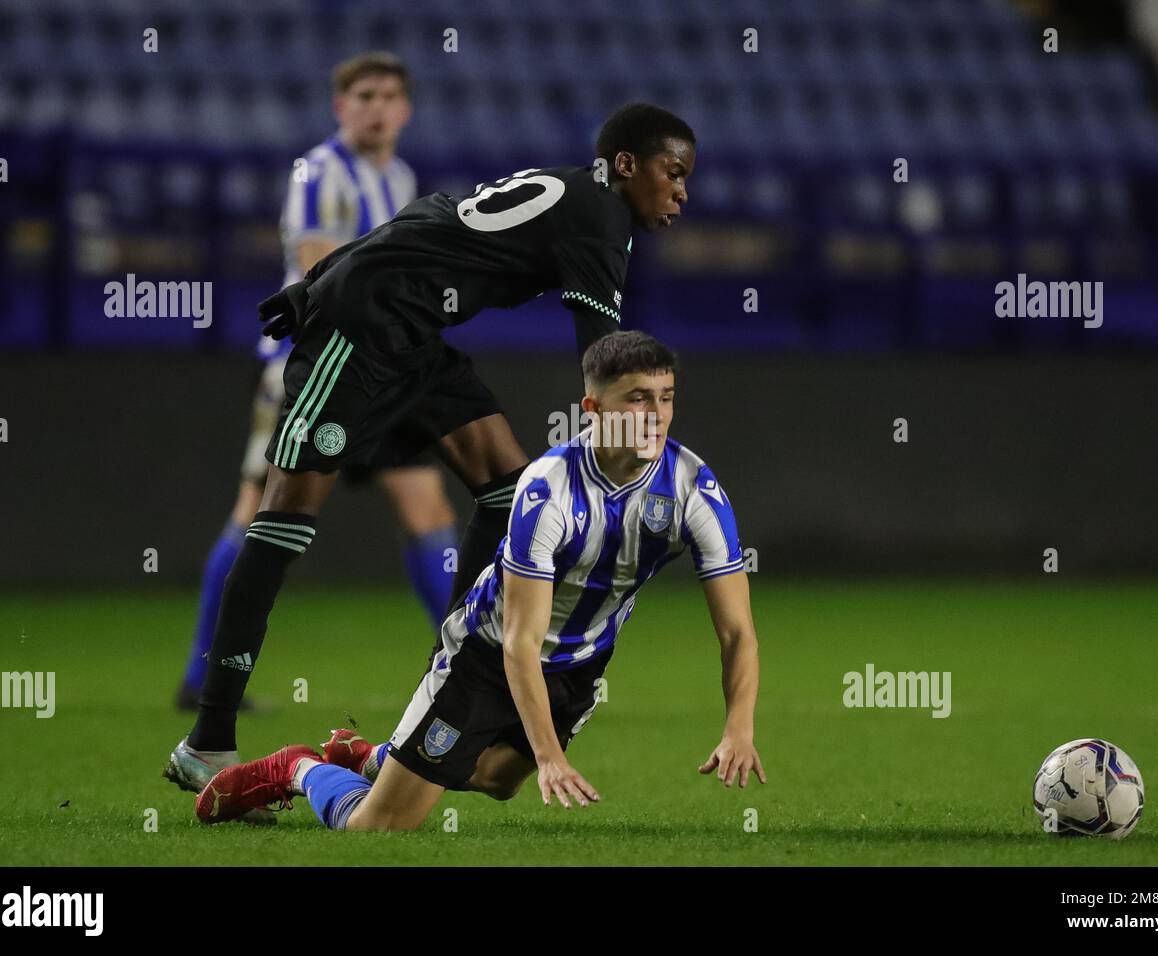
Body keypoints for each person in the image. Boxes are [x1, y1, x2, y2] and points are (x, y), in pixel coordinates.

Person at [195, 331, 765, 829]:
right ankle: (298, 767)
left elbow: (737, 632)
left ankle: (373, 758)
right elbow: (519, 641)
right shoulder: (547, 490)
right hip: (488, 655)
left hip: (580, 663)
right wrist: (550, 757)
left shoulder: (694, 489)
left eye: (666, 397)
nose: (656, 414)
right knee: (380, 826)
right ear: (593, 408)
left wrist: (739, 728)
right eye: (637, 398)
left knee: (496, 779)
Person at [173, 51, 460, 714]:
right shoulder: (318, 173)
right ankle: (201, 676)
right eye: (364, 95)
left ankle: (464, 667)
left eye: (388, 96)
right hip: (314, 370)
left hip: (382, 369)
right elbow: (319, 273)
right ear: (340, 106)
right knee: (260, 514)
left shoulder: (401, 176)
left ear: (405, 110)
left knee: (429, 509)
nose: (376, 108)